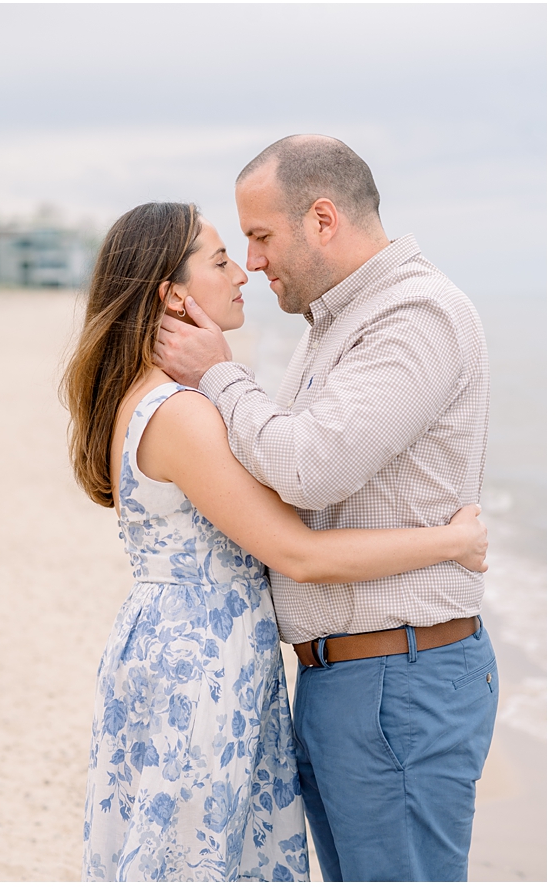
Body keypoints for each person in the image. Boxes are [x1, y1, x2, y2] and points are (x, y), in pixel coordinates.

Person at [62, 200, 489, 881]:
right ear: (172, 295)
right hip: (204, 662)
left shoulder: (146, 398)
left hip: (172, 644)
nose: (244, 272)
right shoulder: (182, 413)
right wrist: (449, 542)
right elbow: (300, 553)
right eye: (223, 258)